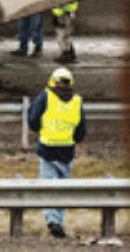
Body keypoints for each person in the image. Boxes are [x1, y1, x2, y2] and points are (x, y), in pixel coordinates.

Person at [26, 67, 86, 239]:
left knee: (48, 185)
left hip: (48, 148)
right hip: (67, 150)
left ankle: (53, 220)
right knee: (62, 187)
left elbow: (33, 120)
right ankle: (58, 220)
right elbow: (81, 130)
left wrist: (41, 131)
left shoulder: (46, 96)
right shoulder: (77, 101)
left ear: (53, 81)